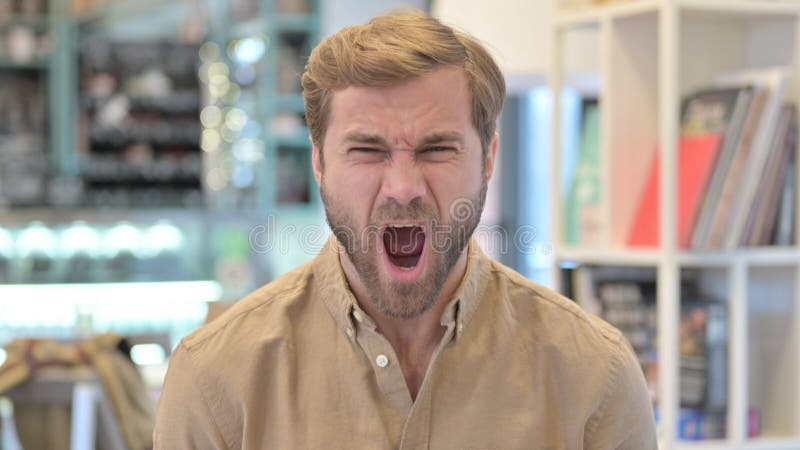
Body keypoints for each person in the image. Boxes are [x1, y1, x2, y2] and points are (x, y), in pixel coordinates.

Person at [154, 10, 657, 449]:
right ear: (319, 165)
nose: (402, 187)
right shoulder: (214, 380)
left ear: (488, 160)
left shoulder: (595, 374)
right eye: (367, 150)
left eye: (437, 149)